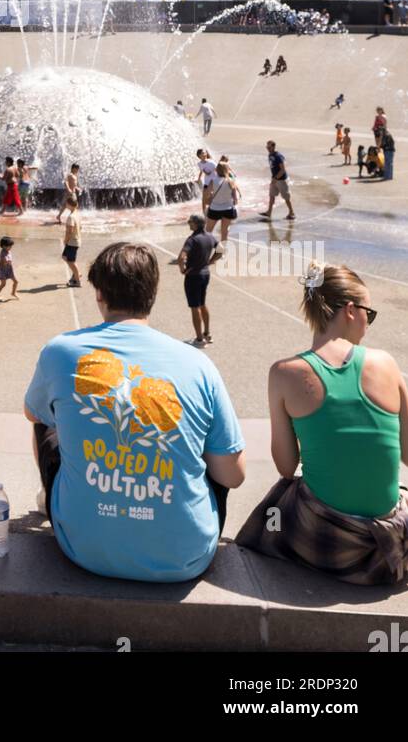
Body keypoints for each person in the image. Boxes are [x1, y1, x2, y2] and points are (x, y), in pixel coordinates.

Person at [24, 242, 245, 581]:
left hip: (82, 547)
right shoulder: (198, 364)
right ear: (152, 294)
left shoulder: (60, 352)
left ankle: (58, 497)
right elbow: (234, 475)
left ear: (99, 294)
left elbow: (32, 413)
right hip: (185, 558)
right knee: (209, 445)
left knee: (44, 420)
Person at [236, 264, 408, 585]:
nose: (368, 326)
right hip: (388, 548)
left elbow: (286, 467)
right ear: (351, 310)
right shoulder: (386, 363)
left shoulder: (283, 373)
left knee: (284, 495)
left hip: (327, 544)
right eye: (369, 316)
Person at [178, 215, 218, 346]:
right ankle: (207, 333)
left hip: (193, 276)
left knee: (194, 307)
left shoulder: (192, 239)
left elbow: (181, 257)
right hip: (205, 274)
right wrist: (210, 261)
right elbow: (221, 250)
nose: (188, 223)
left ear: (195, 224)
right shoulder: (210, 237)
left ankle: (199, 339)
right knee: (202, 304)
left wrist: (183, 269)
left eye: (190, 221)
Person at [205, 162, 241, 247]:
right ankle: (221, 252)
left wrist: (213, 194)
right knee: (224, 232)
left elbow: (207, 194)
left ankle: (207, 249)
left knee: (208, 231)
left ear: (217, 169)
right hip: (228, 209)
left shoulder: (213, 180)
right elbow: (235, 199)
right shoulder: (231, 181)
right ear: (227, 170)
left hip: (215, 209)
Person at [259, 140, 295, 221]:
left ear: (273, 146)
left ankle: (291, 212)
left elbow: (283, 170)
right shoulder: (270, 155)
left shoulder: (278, 156)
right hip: (274, 178)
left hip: (281, 180)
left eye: (269, 147)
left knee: (286, 197)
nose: (267, 148)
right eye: (267, 147)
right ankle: (269, 212)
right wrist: (273, 178)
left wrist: (276, 178)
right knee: (271, 195)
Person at [62, 198, 81, 287]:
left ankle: (77, 281)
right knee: (64, 256)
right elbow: (80, 227)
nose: (65, 205)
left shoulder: (71, 217)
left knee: (71, 262)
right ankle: (76, 273)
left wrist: (66, 240)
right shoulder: (77, 214)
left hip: (72, 242)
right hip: (76, 240)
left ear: (70, 205)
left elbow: (69, 231)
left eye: (66, 203)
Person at [0, 236, 19, 301]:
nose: (11, 247)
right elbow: (4, 261)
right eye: (9, 246)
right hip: (3, 271)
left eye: (11, 246)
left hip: (9, 270)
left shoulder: (8, 250)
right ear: (3, 246)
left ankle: (13, 293)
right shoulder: (2, 253)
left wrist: (9, 262)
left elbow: (9, 259)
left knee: (16, 282)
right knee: (3, 284)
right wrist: (6, 261)